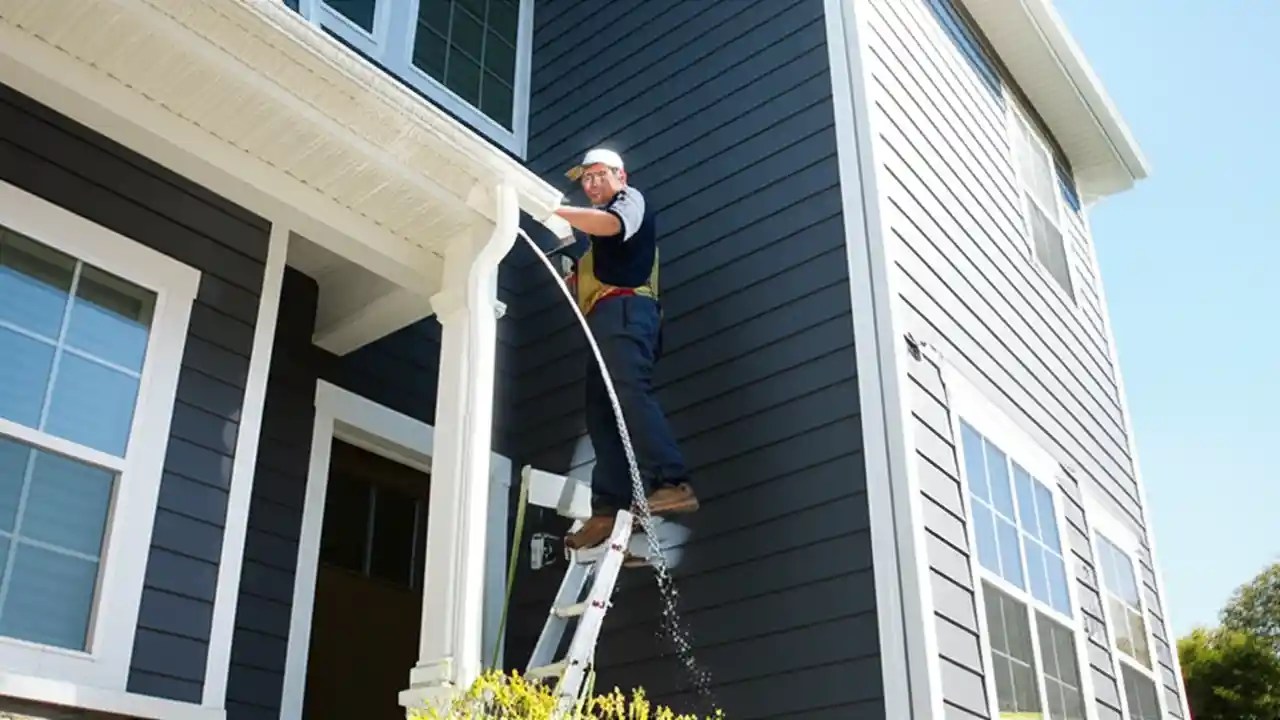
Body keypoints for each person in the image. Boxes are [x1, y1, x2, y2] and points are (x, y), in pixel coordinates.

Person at [551, 147, 698, 550]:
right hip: (604, 322)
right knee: (600, 414)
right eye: (586, 178)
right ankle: (608, 509)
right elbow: (583, 280)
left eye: (600, 175)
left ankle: (671, 481)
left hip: (628, 311)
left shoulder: (630, 203)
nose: (592, 183)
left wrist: (556, 210)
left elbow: (611, 225)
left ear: (621, 176)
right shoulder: (593, 252)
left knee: (630, 392)